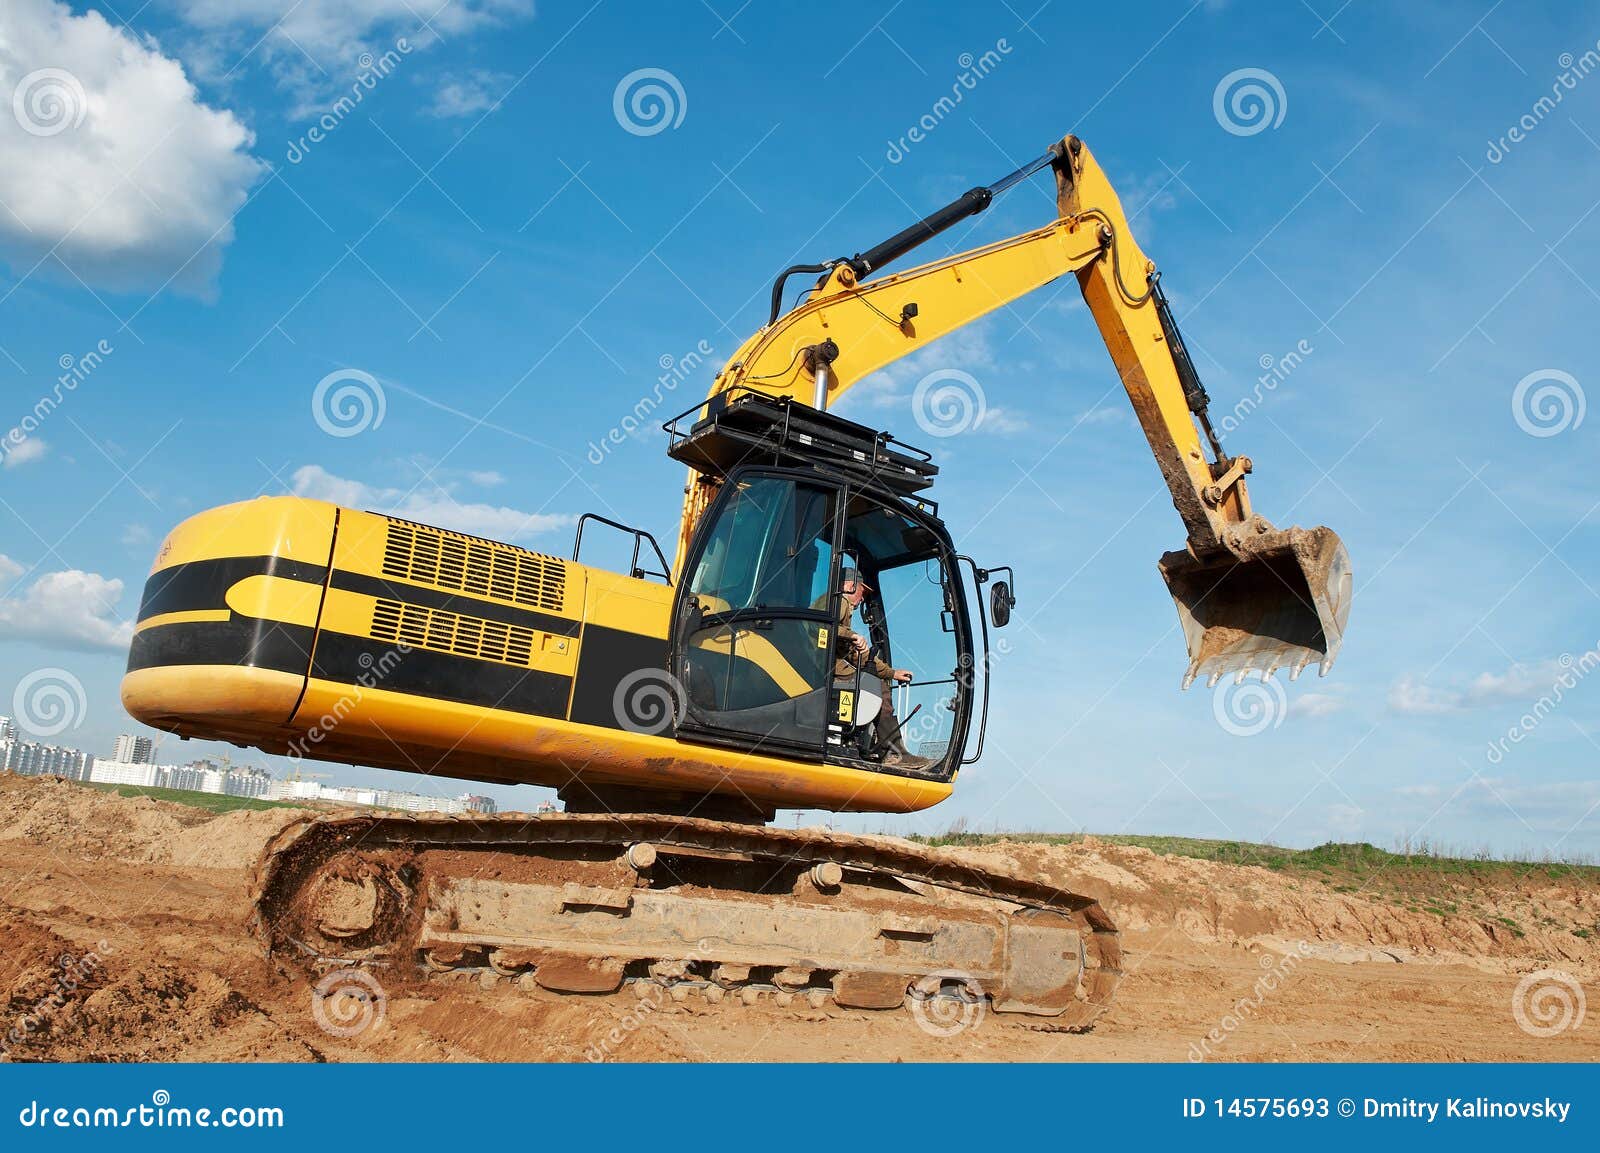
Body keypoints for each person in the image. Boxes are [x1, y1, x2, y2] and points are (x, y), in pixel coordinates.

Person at [827, 568, 928, 769]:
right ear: (849, 586)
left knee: (874, 681)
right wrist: (851, 636)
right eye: (862, 592)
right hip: (823, 669)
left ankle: (864, 745)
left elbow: (858, 655)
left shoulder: (838, 608)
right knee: (878, 689)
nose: (863, 599)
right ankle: (893, 753)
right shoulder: (840, 603)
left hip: (826, 667)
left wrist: (891, 672)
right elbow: (820, 627)